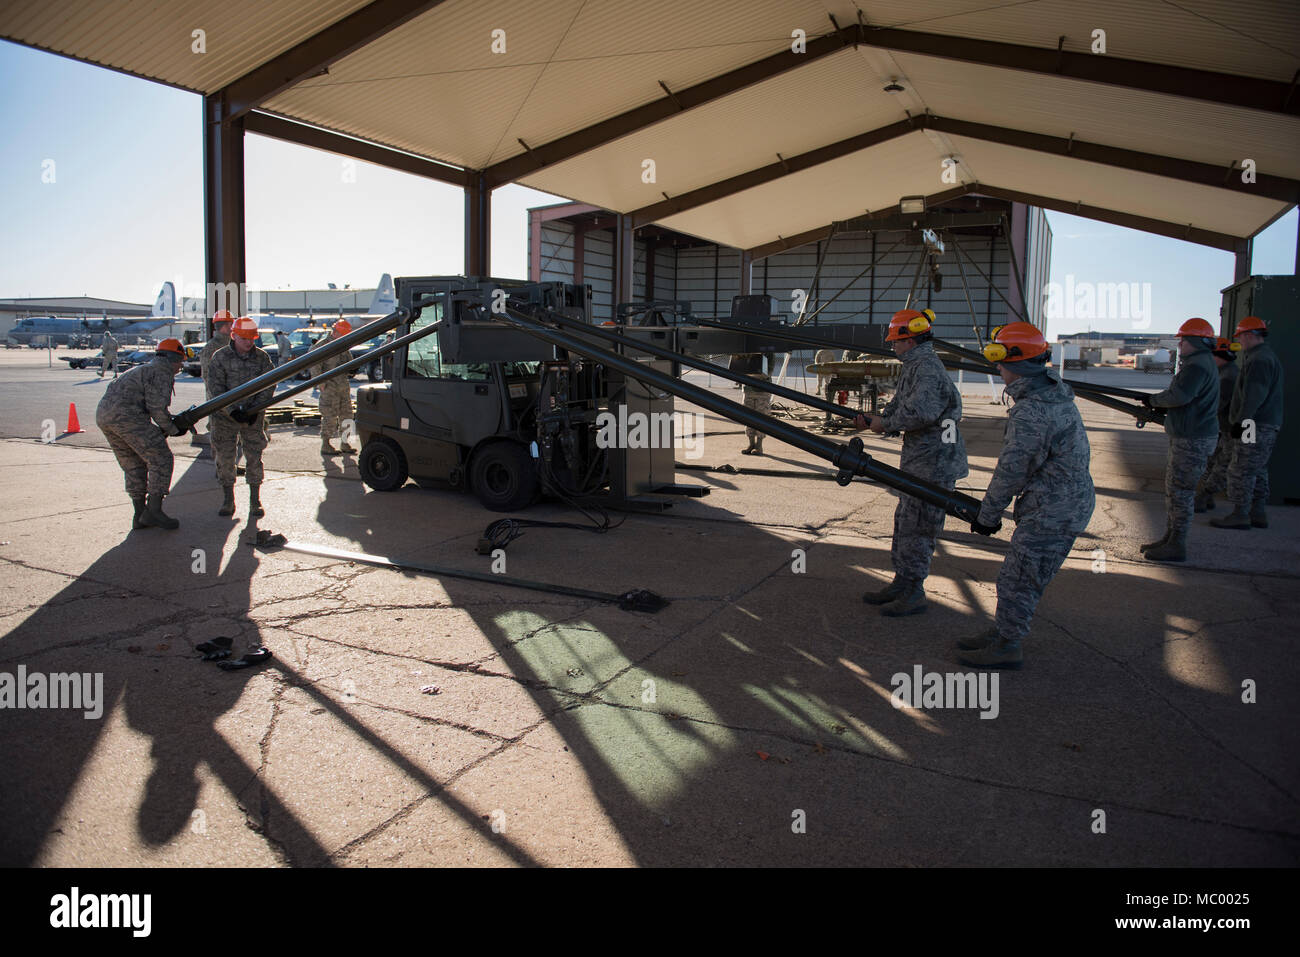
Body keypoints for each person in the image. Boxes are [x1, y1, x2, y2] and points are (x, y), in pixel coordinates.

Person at [959, 322, 1094, 669]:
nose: (998, 369)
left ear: (1016, 364)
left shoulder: (1033, 411)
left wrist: (987, 516)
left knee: (1018, 578)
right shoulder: (1051, 392)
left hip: (1053, 510)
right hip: (1063, 503)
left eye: (1000, 361)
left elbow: (1011, 472)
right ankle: (1005, 632)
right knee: (1019, 575)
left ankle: (1008, 645)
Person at [854, 308, 967, 617]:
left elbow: (923, 413)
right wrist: (877, 419)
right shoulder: (915, 365)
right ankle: (903, 582)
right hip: (921, 458)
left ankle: (914, 590)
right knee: (906, 520)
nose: (892, 347)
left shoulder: (927, 367)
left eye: (896, 341)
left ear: (911, 340)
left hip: (934, 461)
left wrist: (885, 424)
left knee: (918, 525)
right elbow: (902, 405)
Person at [1139, 318, 1220, 562]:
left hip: (1192, 439)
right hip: (1191, 435)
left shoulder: (1197, 366)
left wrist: (1154, 401)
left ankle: (1177, 544)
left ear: (1195, 341)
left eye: (1183, 339)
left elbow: (1180, 396)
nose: (1180, 344)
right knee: (1175, 491)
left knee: (1181, 492)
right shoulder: (1201, 363)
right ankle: (1171, 537)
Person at [95, 339, 188, 530]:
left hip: (105, 417)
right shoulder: (162, 372)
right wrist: (174, 429)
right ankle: (154, 511)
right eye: (181, 362)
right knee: (160, 458)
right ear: (174, 359)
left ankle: (139, 514)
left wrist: (167, 424)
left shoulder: (144, 369)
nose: (181, 367)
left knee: (133, 463)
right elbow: (157, 408)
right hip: (127, 417)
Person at [1212, 315, 1285, 530]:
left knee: (1240, 469)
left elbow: (1254, 394)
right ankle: (1257, 512)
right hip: (1261, 423)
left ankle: (1240, 514)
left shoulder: (1259, 360)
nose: (1239, 342)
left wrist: (1241, 422)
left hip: (1254, 424)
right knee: (1257, 468)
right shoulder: (1264, 356)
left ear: (1250, 335)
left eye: (1240, 336)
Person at [207, 317, 275, 517]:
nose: (249, 342)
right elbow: (215, 388)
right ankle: (228, 500)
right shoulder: (220, 357)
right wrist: (231, 410)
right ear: (234, 335)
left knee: (254, 456)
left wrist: (255, 408)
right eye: (244, 338)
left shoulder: (262, 358)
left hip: (253, 415)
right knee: (225, 458)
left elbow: (270, 384)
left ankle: (255, 500)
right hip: (225, 418)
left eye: (252, 338)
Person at [1193, 337, 1241, 513]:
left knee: (1222, 465)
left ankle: (1205, 496)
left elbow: (1215, 405)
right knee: (1213, 462)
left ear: (1219, 355)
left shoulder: (1228, 376)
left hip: (1231, 429)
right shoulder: (1225, 372)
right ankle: (1207, 498)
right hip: (1224, 428)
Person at [313, 320, 356, 455]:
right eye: (342, 334)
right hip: (329, 387)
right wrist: (321, 384)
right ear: (335, 332)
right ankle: (326, 444)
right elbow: (314, 366)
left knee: (348, 415)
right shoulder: (321, 346)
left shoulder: (343, 347)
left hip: (343, 386)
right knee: (329, 416)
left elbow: (349, 363)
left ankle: (345, 443)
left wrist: (353, 369)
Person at [732, 353, 770, 454]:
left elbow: (769, 370)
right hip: (748, 389)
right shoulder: (746, 351)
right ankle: (751, 444)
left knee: (761, 417)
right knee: (748, 418)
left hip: (762, 390)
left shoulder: (767, 351)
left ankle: (759, 446)